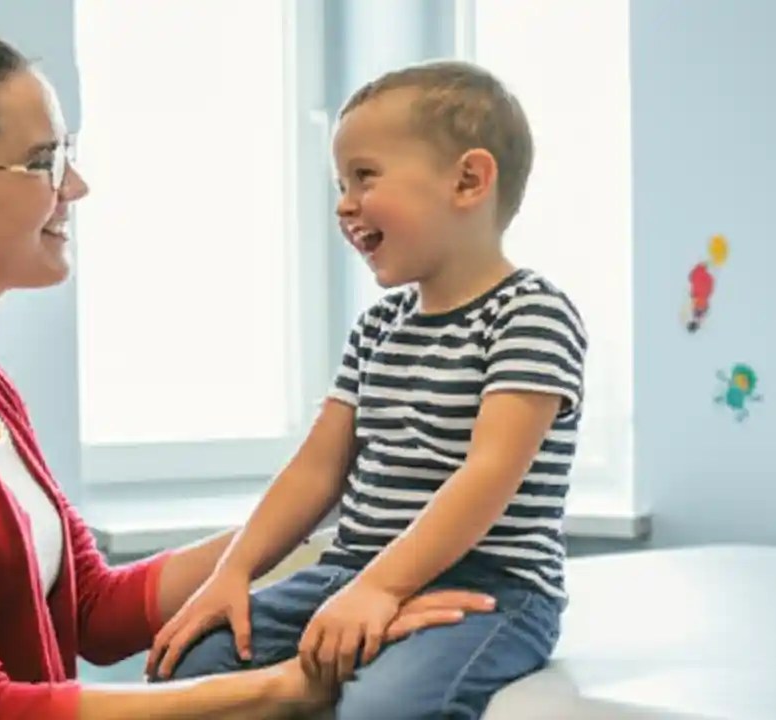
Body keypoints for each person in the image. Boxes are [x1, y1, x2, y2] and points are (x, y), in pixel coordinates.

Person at [0, 30, 493, 720]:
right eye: (44, 163)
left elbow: (92, 610)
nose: (75, 188)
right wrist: (288, 687)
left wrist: (338, 539)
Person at [148, 60, 588, 718]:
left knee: (385, 708)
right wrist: (232, 573)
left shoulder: (530, 314)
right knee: (195, 667)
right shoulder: (379, 327)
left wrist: (382, 588)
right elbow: (316, 471)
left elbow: (487, 476)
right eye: (340, 182)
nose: (344, 204)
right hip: (356, 570)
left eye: (365, 176)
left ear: (468, 180)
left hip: (491, 586)